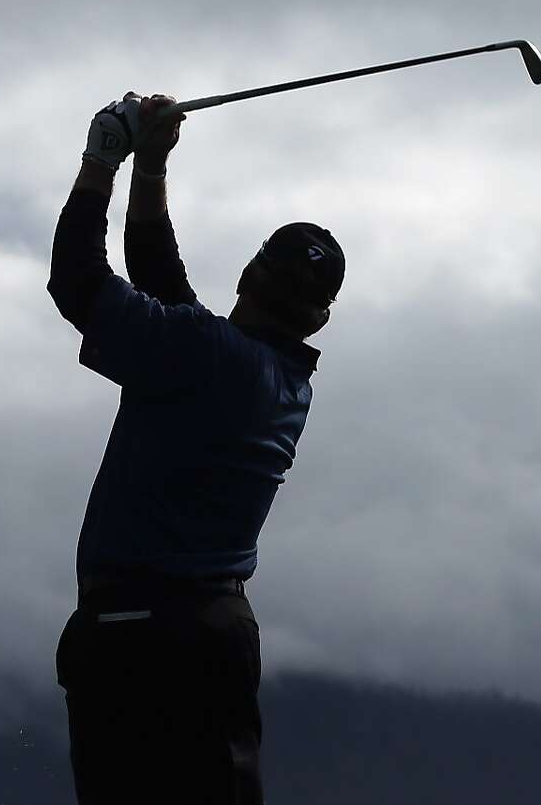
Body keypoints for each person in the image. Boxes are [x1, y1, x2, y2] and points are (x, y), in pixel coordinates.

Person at [46, 91, 344, 803]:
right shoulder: (281, 381)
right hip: (216, 635)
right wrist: (149, 167)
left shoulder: (206, 353)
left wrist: (101, 159)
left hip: (136, 639)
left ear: (246, 276)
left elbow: (77, 282)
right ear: (317, 317)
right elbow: (166, 289)